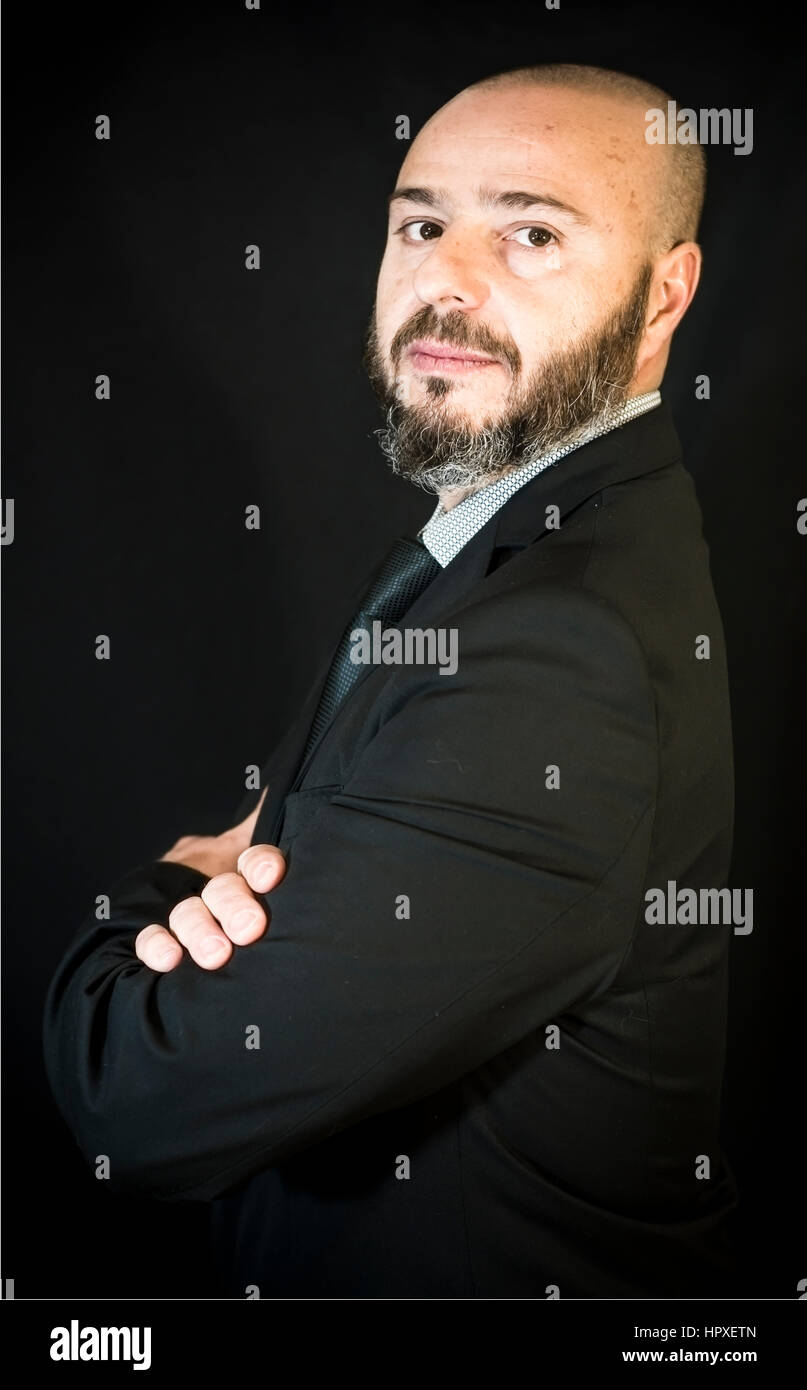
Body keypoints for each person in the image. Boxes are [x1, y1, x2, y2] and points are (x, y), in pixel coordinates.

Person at [42, 62, 740, 1298]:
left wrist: (168, 883)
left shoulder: (555, 657)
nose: (445, 280)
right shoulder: (499, 540)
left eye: (531, 231)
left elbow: (135, 1098)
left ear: (664, 292)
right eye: (421, 224)